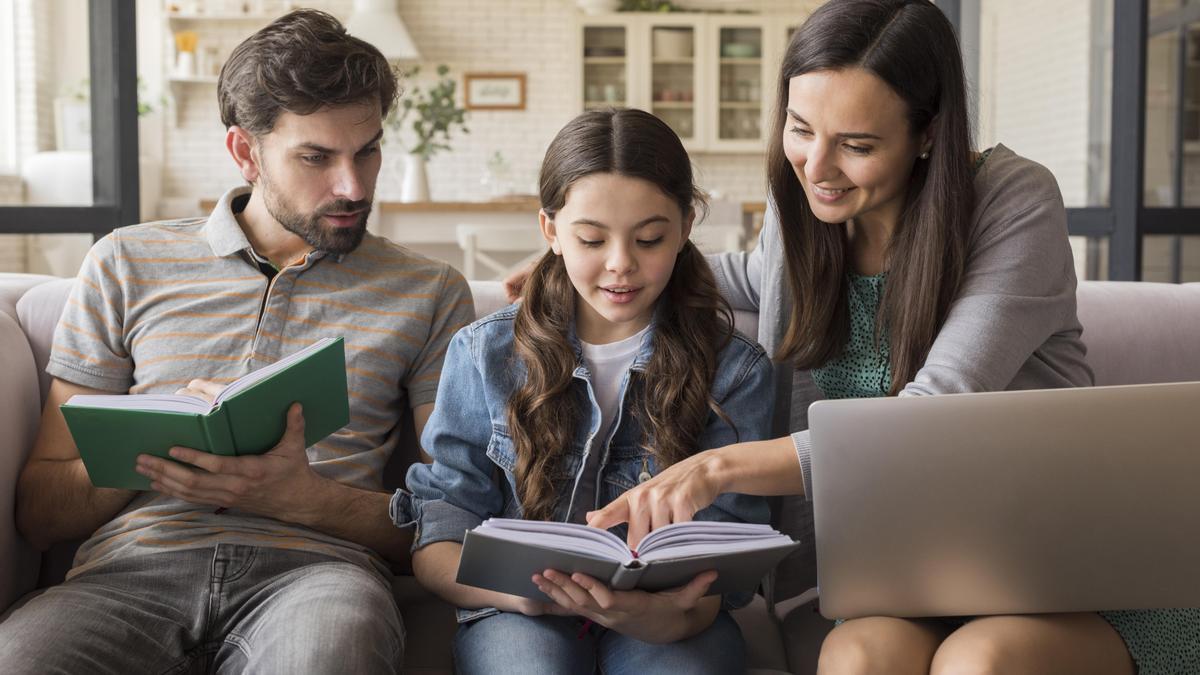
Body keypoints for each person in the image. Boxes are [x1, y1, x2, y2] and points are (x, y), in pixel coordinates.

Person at [575, 1, 1200, 673]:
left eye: (857, 145)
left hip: (1056, 568)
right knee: (858, 660)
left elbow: (934, 411)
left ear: (927, 133)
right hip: (903, 571)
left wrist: (718, 466)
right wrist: (588, 263)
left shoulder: (1013, 198)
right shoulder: (806, 219)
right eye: (800, 128)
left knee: (980, 661)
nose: (816, 166)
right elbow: (745, 278)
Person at [2, 10, 473, 674]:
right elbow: (39, 510)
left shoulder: (429, 290)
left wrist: (302, 496)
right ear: (245, 152)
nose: (354, 185)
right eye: (316, 156)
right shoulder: (125, 262)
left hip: (319, 576)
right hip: (131, 570)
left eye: (367, 149)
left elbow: (454, 518)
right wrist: (149, 448)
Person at [394, 108, 774, 674]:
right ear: (550, 230)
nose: (620, 265)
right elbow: (438, 537)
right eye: (591, 239)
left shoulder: (735, 370)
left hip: (669, 622)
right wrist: (516, 595)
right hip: (517, 614)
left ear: (687, 223)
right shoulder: (483, 354)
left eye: (649, 238)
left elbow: (730, 566)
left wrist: (670, 620)